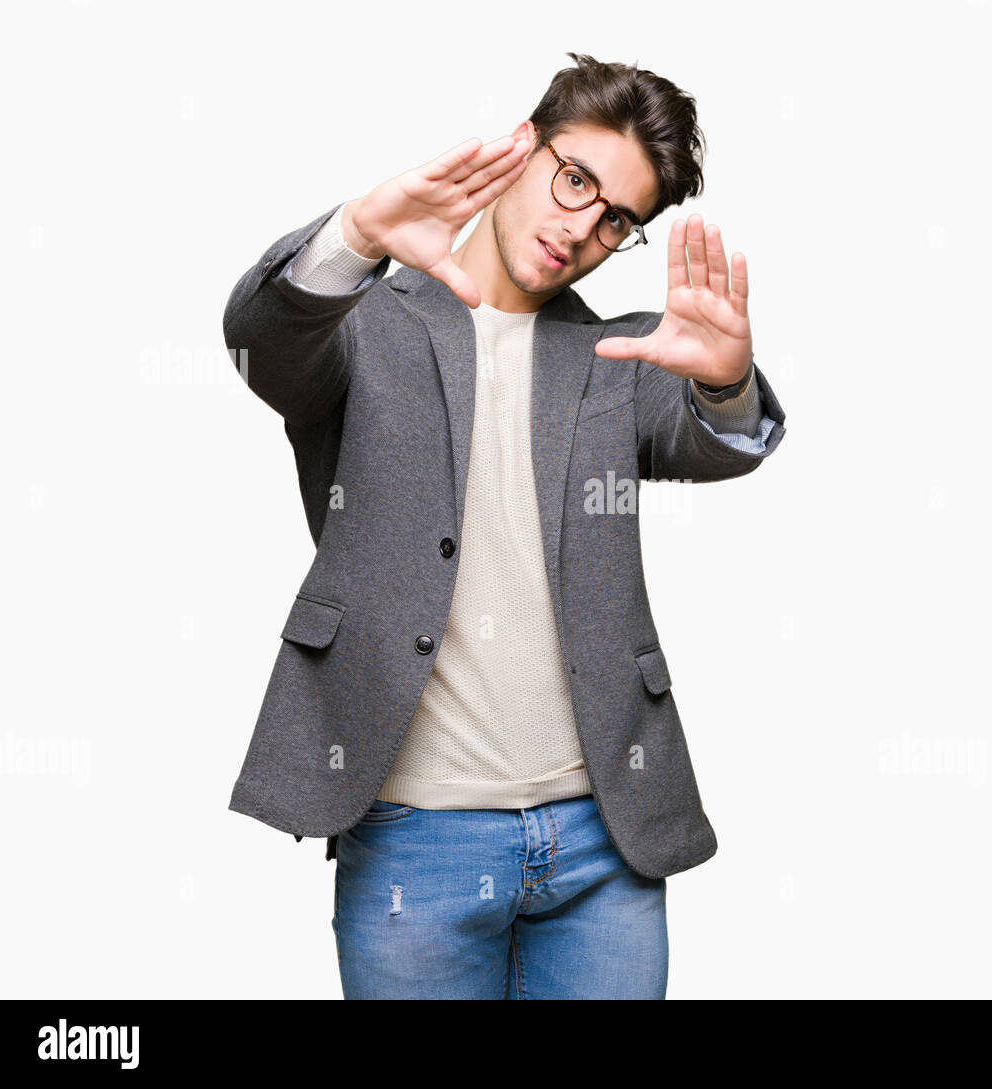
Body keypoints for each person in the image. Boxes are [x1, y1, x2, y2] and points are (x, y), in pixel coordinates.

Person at [222, 52, 787, 999]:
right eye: (577, 181)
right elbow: (261, 341)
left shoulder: (621, 352)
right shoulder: (363, 321)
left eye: (618, 220)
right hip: (416, 834)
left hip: (602, 847)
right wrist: (356, 234)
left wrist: (724, 381)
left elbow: (720, 445)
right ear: (524, 146)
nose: (583, 227)